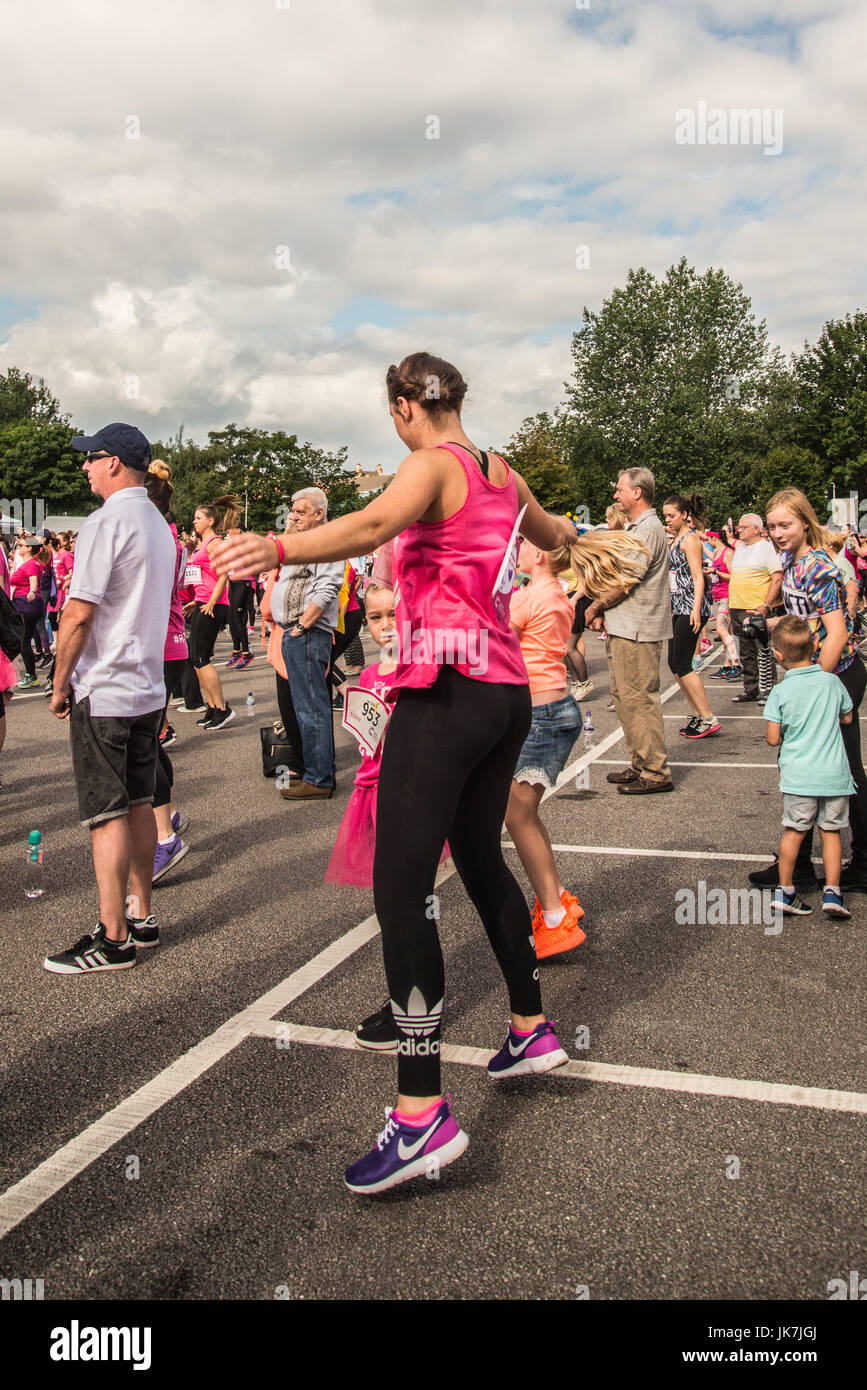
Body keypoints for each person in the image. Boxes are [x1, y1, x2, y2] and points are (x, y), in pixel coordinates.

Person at [214, 350, 590, 1193]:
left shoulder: (430, 465)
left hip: (444, 689)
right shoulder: (501, 470)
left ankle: (420, 1112)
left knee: (401, 891)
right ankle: (529, 1027)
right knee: (480, 857)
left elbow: (371, 526)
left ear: (403, 406)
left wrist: (277, 544)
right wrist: (573, 539)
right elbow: (553, 534)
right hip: (503, 695)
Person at [43, 423, 175, 974]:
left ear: (115, 463)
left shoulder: (106, 521)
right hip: (147, 683)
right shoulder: (160, 525)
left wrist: (58, 682)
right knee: (141, 800)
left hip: (108, 687)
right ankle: (140, 913)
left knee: (106, 811)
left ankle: (113, 935)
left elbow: (78, 611)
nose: (85, 467)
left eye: (92, 458)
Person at [749, 488, 866, 894]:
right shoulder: (789, 560)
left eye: (786, 525)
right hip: (810, 674)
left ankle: (862, 864)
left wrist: (814, 685)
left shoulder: (819, 567)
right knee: (801, 767)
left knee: (845, 771)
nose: (778, 533)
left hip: (837, 675)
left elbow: (836, 632)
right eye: (773, 526)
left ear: (805, 523)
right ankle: (796, 866)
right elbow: (803, 614)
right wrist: (769, 614)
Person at [504, 539, 588, 958]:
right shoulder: (558, 594)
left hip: (539, 714)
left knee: (517, 816)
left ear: (539, 556)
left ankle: (555, 918)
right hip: (558, 707)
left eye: (524, 544)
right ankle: (555, 895)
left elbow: (496, 642)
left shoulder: (527, 597)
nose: (517, 547)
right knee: (526, 814)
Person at [584, 467, 674, 794]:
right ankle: (640, 764)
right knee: (626, 699)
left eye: (620, 489)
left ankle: (654, 772)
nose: (615, 495)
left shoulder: (647, 527)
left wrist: (595, 607)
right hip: (627, 626)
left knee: (638, 699)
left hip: (638, 628)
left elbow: (626, 580)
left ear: (638, 492)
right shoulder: (639, 526)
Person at [763, 616, 854, 919]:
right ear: (815, 646)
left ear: (778, 655)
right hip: (834, 775)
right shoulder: (832, 681)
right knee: (832, 833)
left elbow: (773, 738)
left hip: (799, 776)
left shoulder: (780, 692)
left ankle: (786, 890)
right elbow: (848, 717)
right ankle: (833, 892)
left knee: (793, 832)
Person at [276, 488, 345, 800]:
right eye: (293, 510)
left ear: (320, 513)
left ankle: (319, 778)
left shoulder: (328, 540)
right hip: (299, 633)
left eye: (301, 511)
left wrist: (302, 625)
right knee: (306, 707)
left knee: (311, 708)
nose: (293, 516)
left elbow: (328, 586)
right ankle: (317, 771)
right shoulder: (307, 541)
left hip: (306, 633)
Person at [143, 461, 190, 887]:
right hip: (169, 647)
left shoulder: (157, 538)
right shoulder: (170, 536)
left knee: (144, 746)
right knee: (153, 741)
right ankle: (169, 815)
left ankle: (165, 836)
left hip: (160, 649)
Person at [662, 494, 720, 739]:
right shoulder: (675, 540)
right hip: (679, 606)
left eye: (672, 516)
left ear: (684, 515)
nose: (668, 520)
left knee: (683, 663)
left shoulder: (690, 539)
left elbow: (697, 576)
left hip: (692, 607)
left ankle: (707, 716)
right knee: (674, 663)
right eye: (665, 516)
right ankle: (698, 713)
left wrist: (696, 609)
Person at [180, 498, 235, 730]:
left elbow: (224, 575)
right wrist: (196, 601)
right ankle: (212, 706)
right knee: (195, 658)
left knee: (201, 657)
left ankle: (222, 709)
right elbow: (206, 578)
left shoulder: (215, 542)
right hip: (203, 602)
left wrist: (211, 602)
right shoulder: (202, 544)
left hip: (213, 604)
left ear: (210, 521)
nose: (194, 521)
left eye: (198, 517)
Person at [726, 513, 782, 703]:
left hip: (755, 608)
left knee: (763, 649)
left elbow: (776, 577)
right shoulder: (741, 549)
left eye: (743, 527)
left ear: (756, 529)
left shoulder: (765, 548)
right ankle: (751, 688)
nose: (738, 530)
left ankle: (769, 689)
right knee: (746, 651)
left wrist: (766, 605)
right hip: (737, 606)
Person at [10, 536, 46, 686]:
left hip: (28, 605)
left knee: (23, 641)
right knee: (24, 640)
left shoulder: (31, 564)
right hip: (24, 604)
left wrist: (31, 590)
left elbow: (33, 580)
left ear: (29, 548)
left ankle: (31, 675)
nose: (20, 548)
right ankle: (30, 674)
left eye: (23, 545)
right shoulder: (27, 563)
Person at [706, 531, 742, 681]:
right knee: (727, 632)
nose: (708, 542)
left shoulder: (728, 553)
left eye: (709, 539)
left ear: (715, 538)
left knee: (721, 630)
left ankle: (736, 664)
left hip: (727, 596)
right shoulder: (715, 552)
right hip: (717, 595)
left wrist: (715, 571)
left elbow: (733, 576)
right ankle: (728, 665)